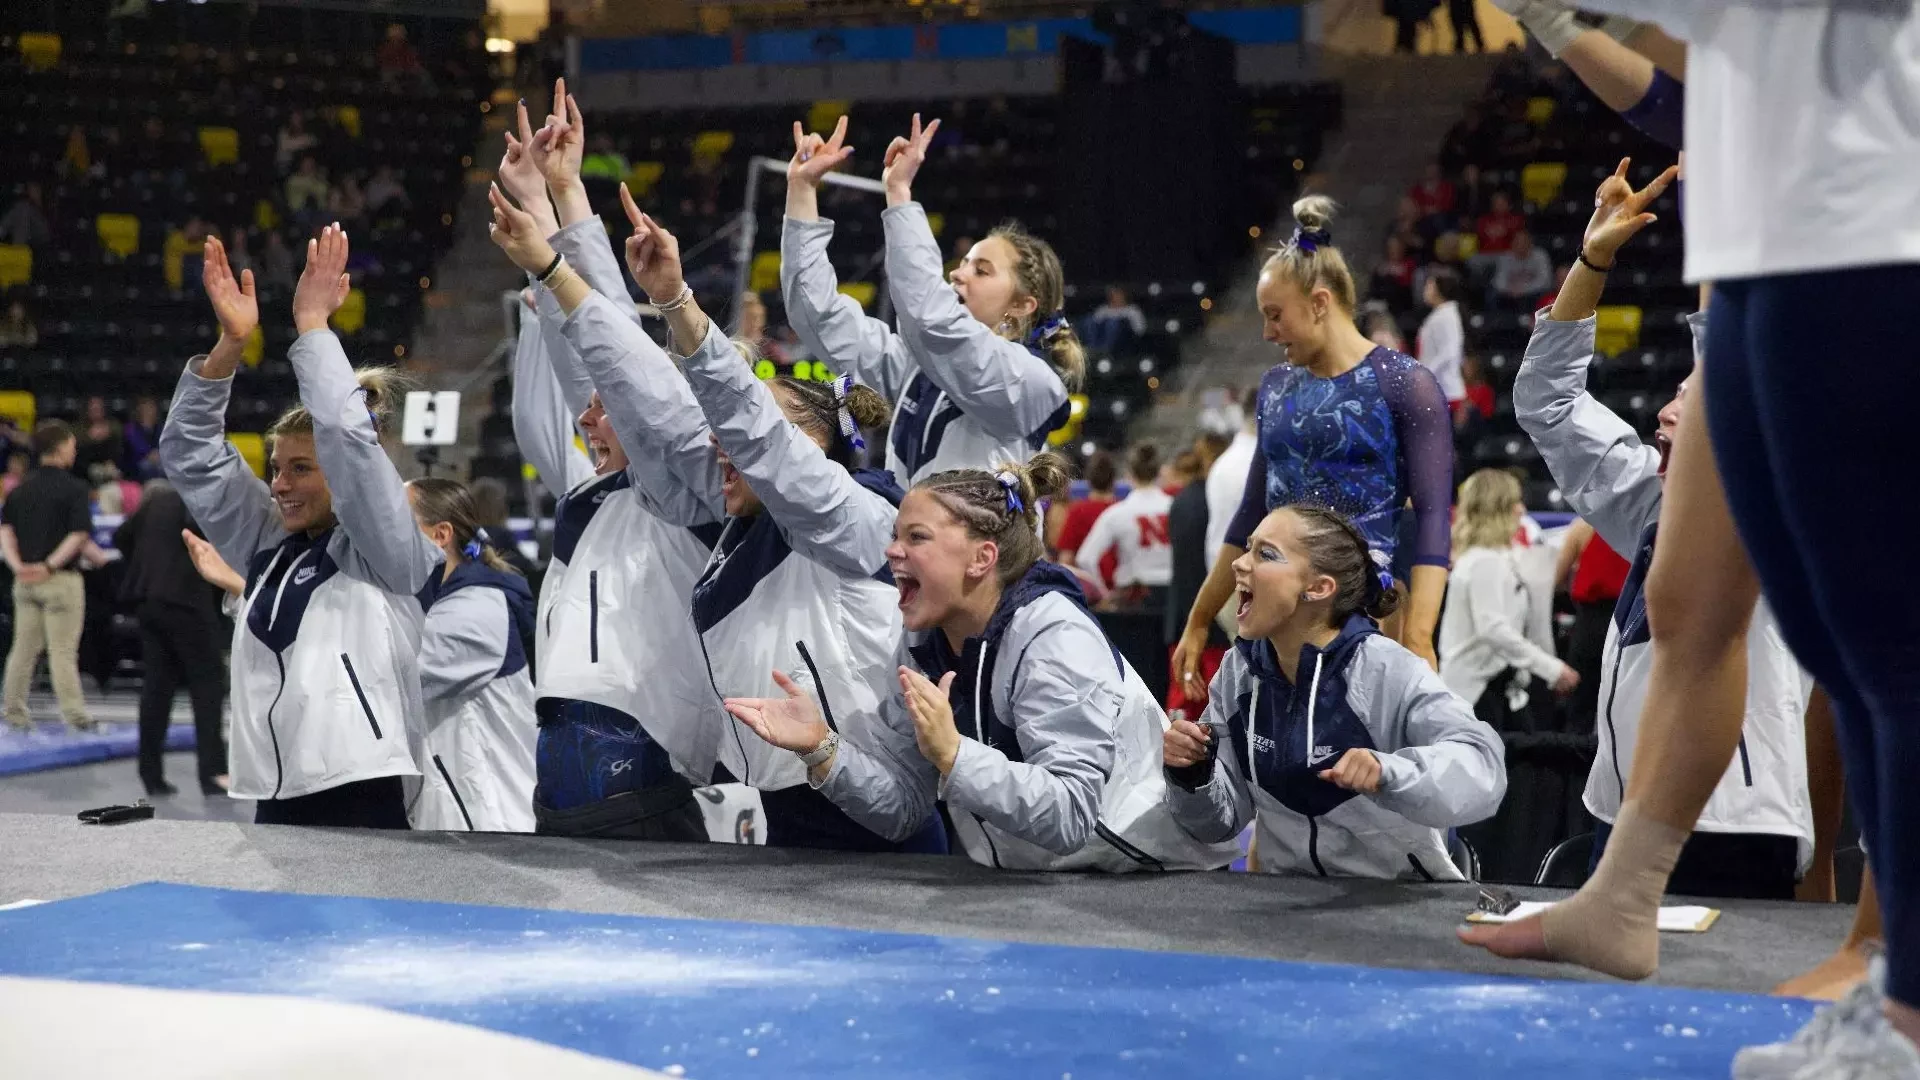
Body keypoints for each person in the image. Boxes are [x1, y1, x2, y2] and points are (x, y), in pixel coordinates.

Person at [488, 173, 944, 854]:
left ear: (809, 451)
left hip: (882, 837)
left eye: (751, 440)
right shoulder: (735, 526)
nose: (725, 451)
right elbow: (644, 396)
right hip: (790, 830)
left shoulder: (859, 520)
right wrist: (561, 241)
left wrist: (610, 280)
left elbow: (708, 413)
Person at [1459, 159, 1823, 961]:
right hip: (1623, 815)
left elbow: (1731, 373)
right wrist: (1594, 261)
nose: (1660, 411)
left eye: (1681, 403)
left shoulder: (1764, 505)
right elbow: (1548, 404)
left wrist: (1717, 215)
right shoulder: (1652, 509)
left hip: (1728, 820)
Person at [727, 453, 1238, 872]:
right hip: (1044, 890)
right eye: (896, 536)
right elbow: (905, 807)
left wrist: (954, 753)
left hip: (1153, 883)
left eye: (915, 537)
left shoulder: (1055, 637)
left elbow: (1070, 816)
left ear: (981, 559)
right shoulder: (923, 643)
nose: (891, 551)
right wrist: (823, 750)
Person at [496, 96, 723, 842]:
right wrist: (547, 193)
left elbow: (622, 359)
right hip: (559, 795)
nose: (588, 419)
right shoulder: (600, 494)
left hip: (644, 797)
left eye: (608, 413)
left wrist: (567, 217)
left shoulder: (681, 493)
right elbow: (588, 357)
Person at [160, 229, 437, 829]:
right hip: (274, 787)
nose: (279, 485)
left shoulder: (385, 553)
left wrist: (313, 326)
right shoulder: (270, 545)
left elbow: (349, 440)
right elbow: (189, 454)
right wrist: (231, 345)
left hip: (361, 784)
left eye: (302, 469)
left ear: (339, 472)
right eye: (276, 468)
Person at [1174, 196, 1454, 704]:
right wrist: (1197, 620)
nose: (1267, 332)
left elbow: (1435, 518)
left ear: (1320, 303)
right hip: (1277, 620)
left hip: (1366, 621)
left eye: (1276, 315)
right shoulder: (1277, 388)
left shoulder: (1404, 384)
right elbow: (1249, 515)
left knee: (1357, 772)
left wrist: (1419, 636)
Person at [1162, 504, 1506, 878]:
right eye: (1247, 548)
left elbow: (1483, 768)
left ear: (1318, 588)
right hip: (1283, 909)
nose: (1239, 563)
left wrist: (1390, 771)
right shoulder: (1237, 672)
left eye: (1265, 554)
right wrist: (1193, 777)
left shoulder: (1387, 670)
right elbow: (1217, 826)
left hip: (1397, 910)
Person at [781, 113, 1079, 488]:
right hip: (908, 545)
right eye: (964, 263)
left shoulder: (1032, 382)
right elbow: (816, 316)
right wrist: (803, 190)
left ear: (1022, 305)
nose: (957, 273)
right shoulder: (917, 369)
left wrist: (900, 194)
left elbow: (930, 319)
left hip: (979, 547)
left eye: (982, 270)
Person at [405, 477, 538, 833]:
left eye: (397, 521)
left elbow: (394, 678)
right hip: (465, 819)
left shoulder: (474, 608)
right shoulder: (444, 601)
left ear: (440, 535)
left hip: (489, 822)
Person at [112, 480, 227, 796]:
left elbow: (120, 536)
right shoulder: (202, 497)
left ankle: (151, 774)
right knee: (208, 685)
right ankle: (213, 773)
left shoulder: (157, 498)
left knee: (157, 688)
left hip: (150, 601)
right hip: (187, 601)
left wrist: (148, 566)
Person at [1438, 469, 1576, 726]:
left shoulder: (1496, 558)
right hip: (1475, 693)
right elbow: (1493, 630)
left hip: (1493, 688)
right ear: (1498, 509)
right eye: (1515, 502)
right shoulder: (1483, 562)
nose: (1522, 510)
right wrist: (1552, 669)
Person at [0, 421, 94, 733]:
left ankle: (13, 711)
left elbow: (5, 532)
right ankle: (75, 717)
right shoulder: (76, 488)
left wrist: (18, 566)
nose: (74, 450)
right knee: (63, 652)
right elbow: (78, 535)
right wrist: (50, 566)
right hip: (60, 581)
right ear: (62, 447)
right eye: (72, 445)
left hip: (24, 582)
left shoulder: (20, 489)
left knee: (23, 649)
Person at [1072, 442, 1172, 609]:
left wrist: (1104, 595)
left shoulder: (1118, 513)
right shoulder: (1174, 507)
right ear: (1159, 471)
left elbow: (1085, 558)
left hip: (1133, 597)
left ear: (1128, 474)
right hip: (1171, 597)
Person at [1554, 518, 1630, 734]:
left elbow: (1556, 577)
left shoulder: (1584, 527)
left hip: (1591, 623)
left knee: (1580, 707)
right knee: (1625, 707)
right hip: (1629, 622)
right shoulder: (1643, 521)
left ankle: (1573, 765)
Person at [1050, 450, 1116, 568]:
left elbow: (1066, 559)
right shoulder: (1122, 510)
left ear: (1088, 480)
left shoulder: (1078, 511)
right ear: (1113, 480)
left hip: (1085, 581)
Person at [1416, 267, 1468, 409]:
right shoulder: (1441, 314)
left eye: (1429, 285)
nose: (1425, 289)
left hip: (1446, 391)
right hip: (1438, 389)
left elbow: (1450, 351)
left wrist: (1426, 373)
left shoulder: (1447, 316)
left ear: (1439, 289)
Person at [1083, 285, 1148, 354]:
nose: (1115, 297)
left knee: (1112, 323)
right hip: (1102, 337)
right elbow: (1093, 324)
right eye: (1113, 295)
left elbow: (1140, 330)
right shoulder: (1103, 309)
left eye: (1118, 294)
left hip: (1123, 339)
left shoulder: (1132, 310)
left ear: (1124, 296)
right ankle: (1092, 347)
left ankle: (1106, 349)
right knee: (1088, 319)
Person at [73, 396, 123, 484]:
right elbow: (75, 442)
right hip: (87, 465)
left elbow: (119, 431)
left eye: (98, 408)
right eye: (93, 408)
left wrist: (108, 431)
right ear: (87, 410)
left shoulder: (111, 425)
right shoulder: (79, 427)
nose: (96, 411)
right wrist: (89, 436)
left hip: (108, 463)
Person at [122, 397, 162, 481]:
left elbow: (165, 444)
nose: (149, 411)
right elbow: (136, 446)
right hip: (138, 461)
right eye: (146, 407)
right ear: (140, 410)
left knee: (165, 468)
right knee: (147, 467)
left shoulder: (159, 427)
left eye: (151, 407)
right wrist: (148, 454)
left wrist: (159, 453)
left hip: (158, 458)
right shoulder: (131, 428)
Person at [0, 183, 50, 248]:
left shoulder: (46, 196)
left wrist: (37, 199)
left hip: (43, 230)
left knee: (24, 208)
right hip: (26, 229)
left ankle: (18, 251)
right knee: (19, 208)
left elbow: (47, 220)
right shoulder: (23, 200)